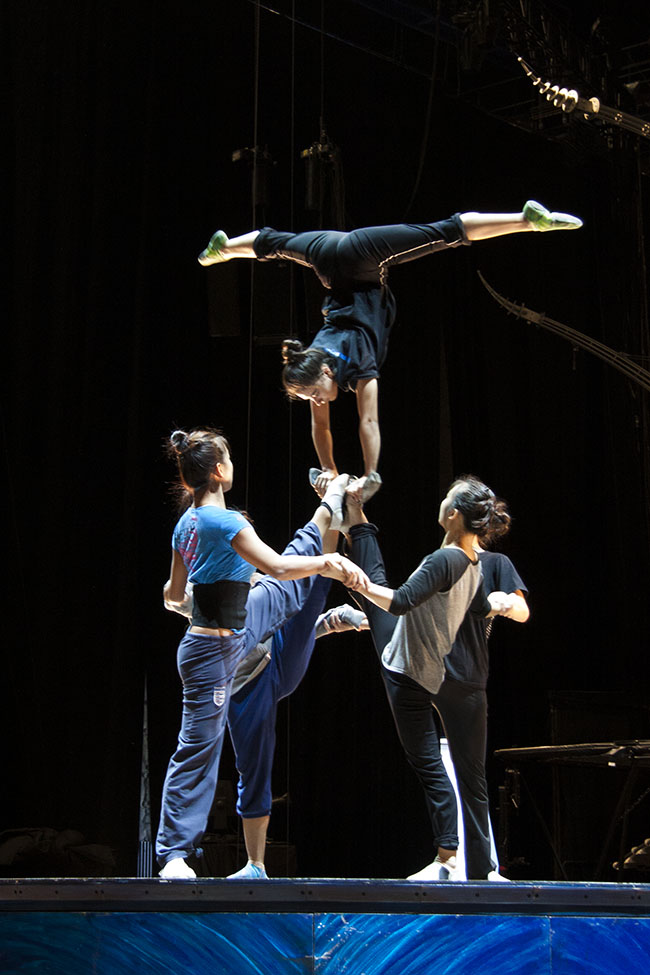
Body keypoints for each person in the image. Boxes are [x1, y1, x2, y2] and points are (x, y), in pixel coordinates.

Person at [198, 202, 582, 501]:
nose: (315, 400)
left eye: (314, 393)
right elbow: (320, 425)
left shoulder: (356, 361)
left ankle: (528, 220)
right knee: (278, 245)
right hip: (327, 259)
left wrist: (370, 473)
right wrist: (329, 468)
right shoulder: (310, 364)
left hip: (361, 258)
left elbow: (369, 422)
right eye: (308, 397)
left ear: (328, 375)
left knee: (442, 233)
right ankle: (225, 248)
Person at [157, 427, 368, 879]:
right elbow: (275, 564)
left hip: (217, 636)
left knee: (284, 594)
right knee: (198, 747)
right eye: (229, 458)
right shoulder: (227, 521)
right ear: (217, 470)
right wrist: (327, 564)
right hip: (218, 649)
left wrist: (194, 599)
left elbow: (172, 594)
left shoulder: (184, 525)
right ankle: (174, 853)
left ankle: (331, 508)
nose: (231, 464)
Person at [324, 475, 520, 881]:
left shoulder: (463, 562)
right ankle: (355, 522)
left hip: (414, 663)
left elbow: (399, 601)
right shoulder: (466, 561)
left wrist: (354, 580)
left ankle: (455, 860)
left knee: (442, 766)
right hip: (422, 657)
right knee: (375, 588)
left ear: (452, 514)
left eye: (446, 497)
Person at [423, 534, 529, 881]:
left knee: (470, 776)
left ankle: (481, 868)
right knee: (434, 769)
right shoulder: (438, 561)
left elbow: (523, 611)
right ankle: (446, 860)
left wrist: (505, 604)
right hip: (426, 671)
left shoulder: (495, 563)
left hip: (466, 674)